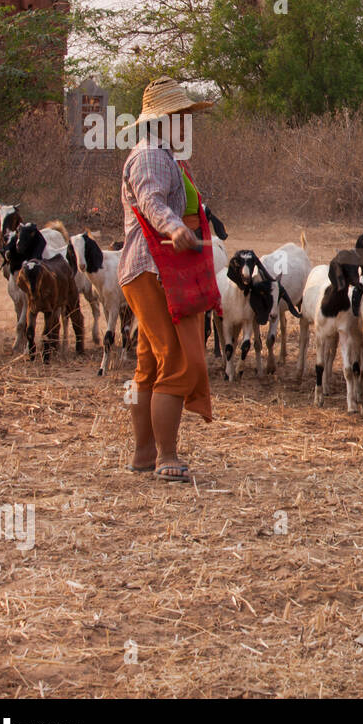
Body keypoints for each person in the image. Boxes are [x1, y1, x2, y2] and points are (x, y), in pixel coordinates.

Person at [118, 77, 218, 482]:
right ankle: (166, 455)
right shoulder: (152, 157)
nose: (186, 125)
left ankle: (144, 453)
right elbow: (152, 201)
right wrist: (175, 228)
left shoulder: (160, 154)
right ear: (162, 120)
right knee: (175, 360)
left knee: (148, 362)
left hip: (149, 269)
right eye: (181, 117)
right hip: (155, 268)